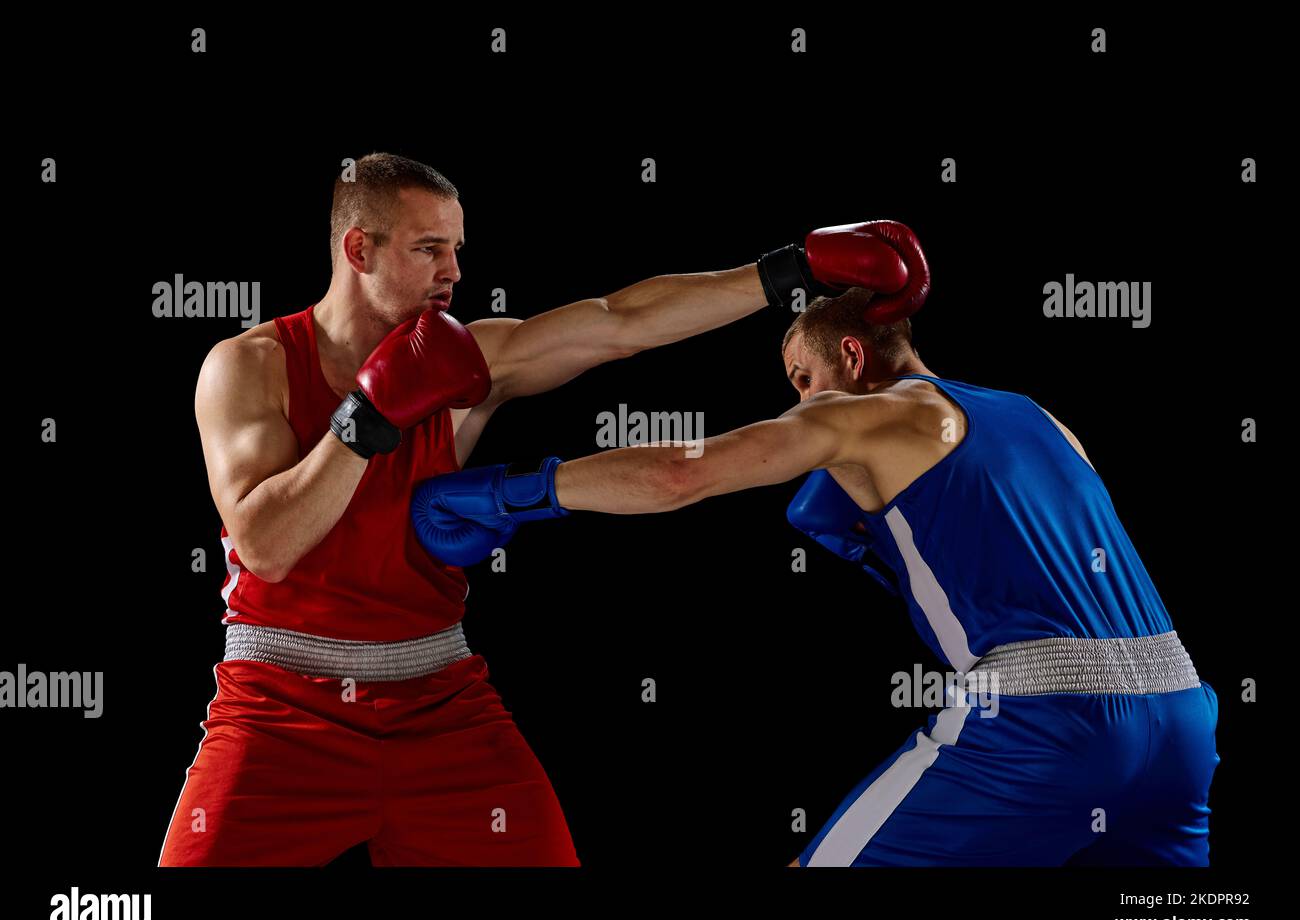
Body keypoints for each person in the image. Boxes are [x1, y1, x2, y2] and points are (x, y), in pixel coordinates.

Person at [159, 149, 923, 865]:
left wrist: (789, 270)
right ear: (358, 249)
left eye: (457, 248)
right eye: (429, 249)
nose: (453, 271)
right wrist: (366, 418)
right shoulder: (247, 367)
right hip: (280, 709)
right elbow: (266, 542)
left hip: (441, 703)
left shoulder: (467, 361)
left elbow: (618, 323)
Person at [413, 287, 1221, 867]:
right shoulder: (1039, 414)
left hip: (1044, 719)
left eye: (799, 378)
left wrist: (512, 490)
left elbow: (681, 472)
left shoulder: (864, 413)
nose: (798, 400)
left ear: (854, 356)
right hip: (1184, 717)